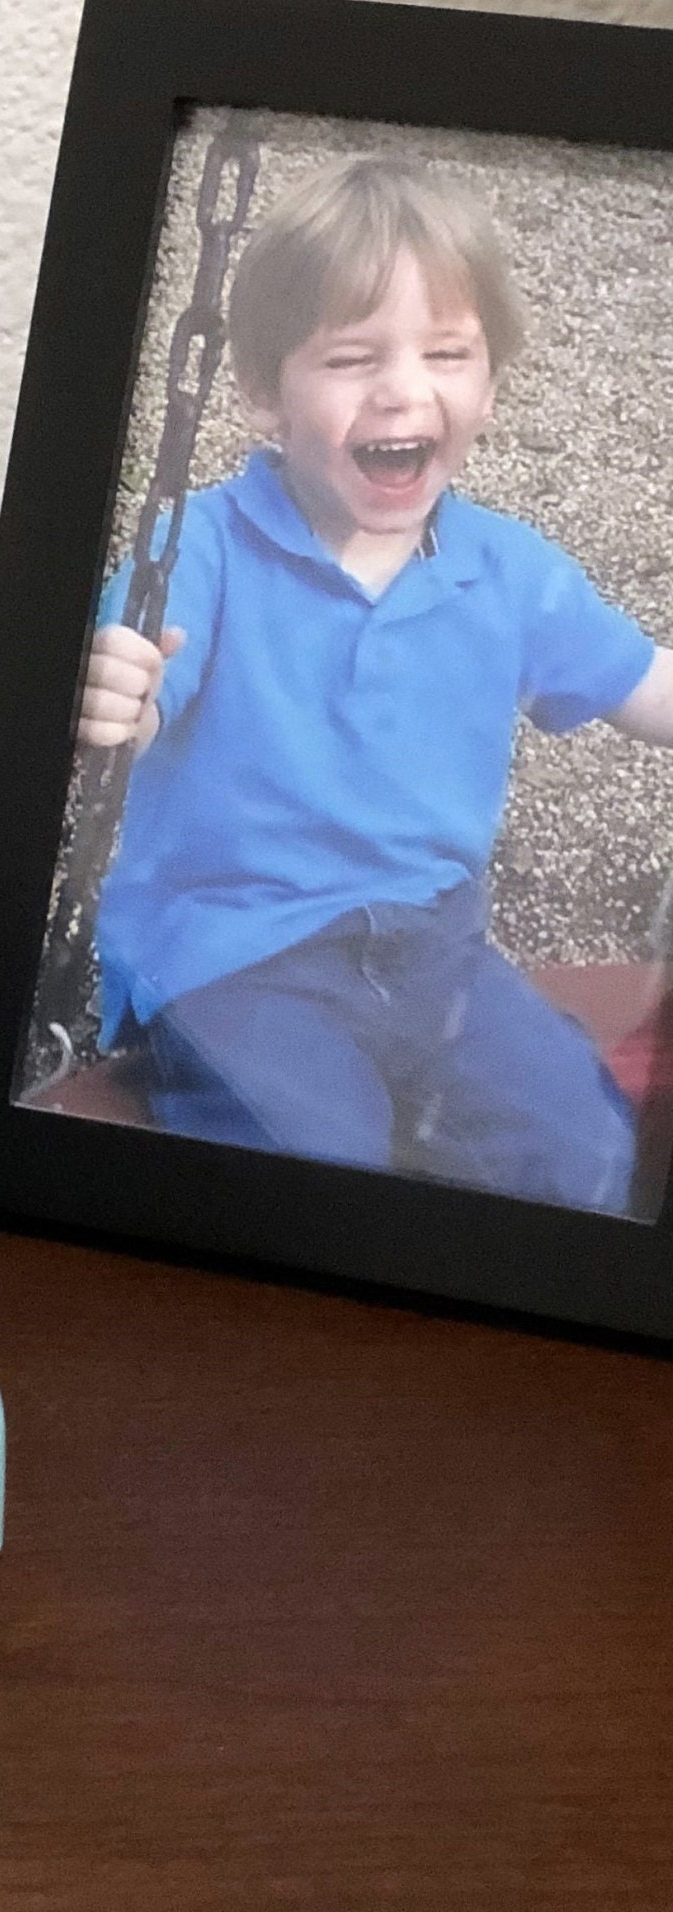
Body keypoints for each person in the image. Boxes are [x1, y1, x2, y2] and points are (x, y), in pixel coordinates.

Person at [77, 153, 673, 1214]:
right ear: (264, 391)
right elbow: (150, 665)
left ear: (489, 385)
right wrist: (122, 696)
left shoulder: (511, 572)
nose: (405, 389)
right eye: (353, 358)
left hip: (435, 949)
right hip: (232, 946)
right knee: (313, 1157)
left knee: (583, 1147)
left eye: (448, 353)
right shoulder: (200, 547)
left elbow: (645, 687)